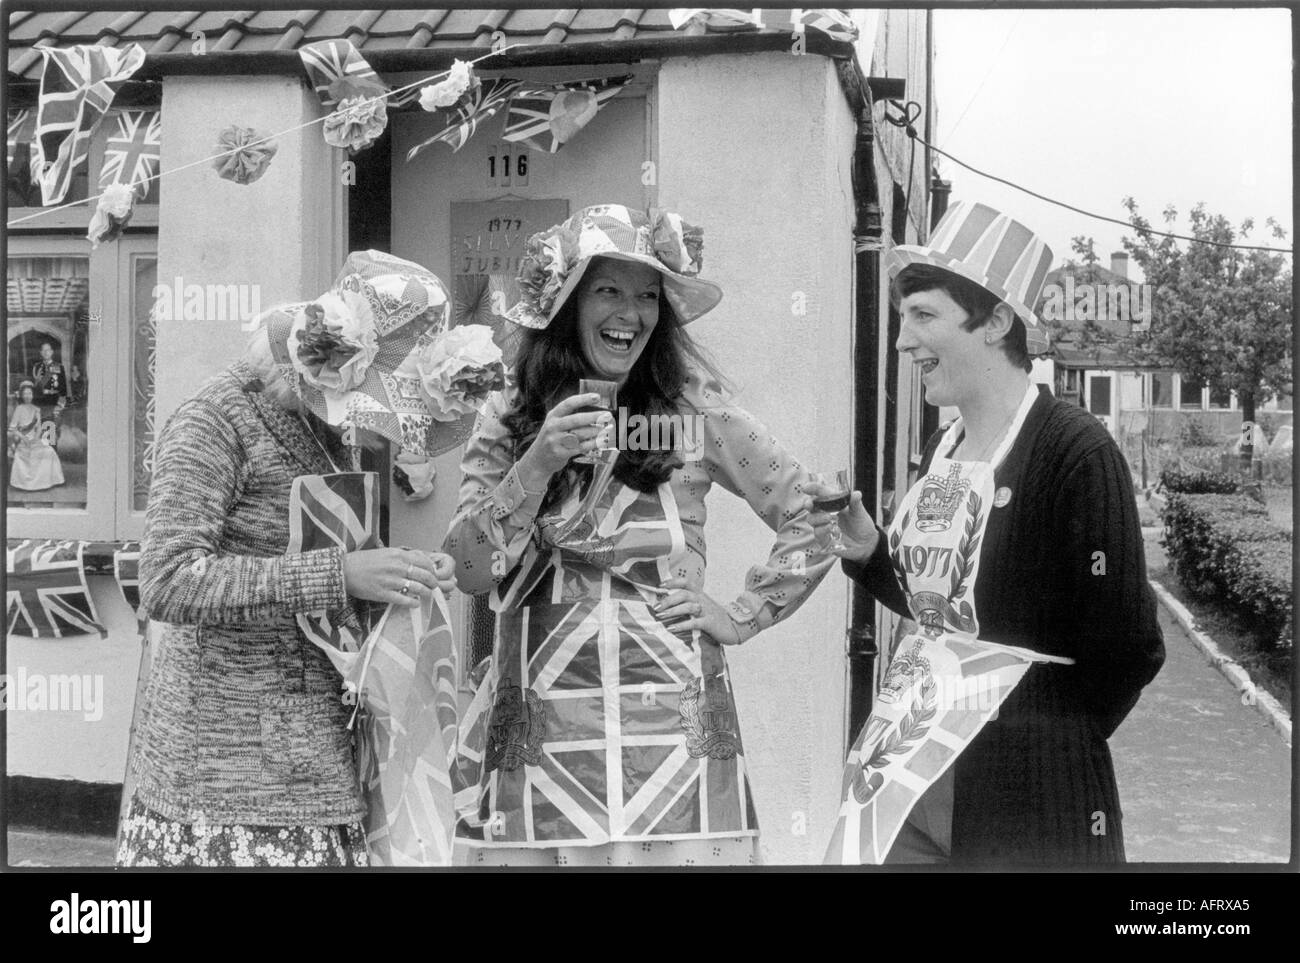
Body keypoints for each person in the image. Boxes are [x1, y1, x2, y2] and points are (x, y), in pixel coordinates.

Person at [444, 204, 834, 866]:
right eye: (609, 290)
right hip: (542, 755)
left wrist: (741, 613)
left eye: (648, 295)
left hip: (675, 751)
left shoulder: (694, 412)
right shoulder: (506, 421)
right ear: (566, 304)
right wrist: (536, 463)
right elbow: (470, 569)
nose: (631, 312)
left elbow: (818, 511)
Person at [808, 201, 1165, 864]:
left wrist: (1041, 734)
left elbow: (1129, 646)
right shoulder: (944, 447)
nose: (902, 341)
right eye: (902, 317)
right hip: (910, 785)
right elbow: (951, 609)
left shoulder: (1075, 452)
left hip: (1024, 800)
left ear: (996, 318)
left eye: (924, 315)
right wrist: (870, 554)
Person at [116, 251, 467, 868]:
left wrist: (395, 571)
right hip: (220, 780)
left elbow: (321, 554)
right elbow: (167, 580)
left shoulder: (335, 428)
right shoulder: (216, 419)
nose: (367, 421)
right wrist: (340, 575)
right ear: (326, 362)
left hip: (320, 764)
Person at [8, 380, 64, 491]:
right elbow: (12, 428)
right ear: (22, 395)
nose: (27, 396)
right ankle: (25, 484)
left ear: (33, 395)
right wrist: (24, 438)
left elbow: (38, 428)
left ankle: (47, 482)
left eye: (30, 393)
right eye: (25, 394)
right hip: (23, 440)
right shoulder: (19, 409)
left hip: (35, 440)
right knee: (28, 454)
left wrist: (36, 439)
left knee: (49, 451)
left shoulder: (36, 409)